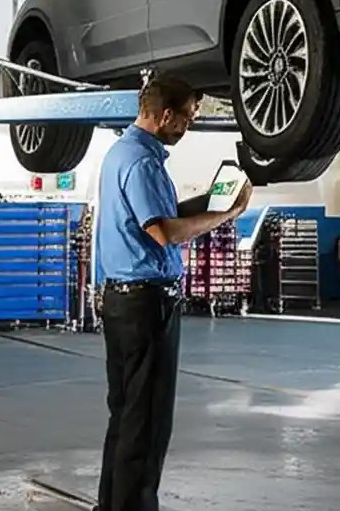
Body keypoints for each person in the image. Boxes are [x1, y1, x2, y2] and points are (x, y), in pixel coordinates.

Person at [94, 75, 252, 511]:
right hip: (146, 305)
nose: (188, 126)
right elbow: (164, 232)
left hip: (123, 301)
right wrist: (229, 215)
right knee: (147, 421)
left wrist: (213, 201)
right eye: (187, 118)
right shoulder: (143, 163)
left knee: (126, 415)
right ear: (166, 115)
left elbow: (161, 215)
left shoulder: (122, 154)